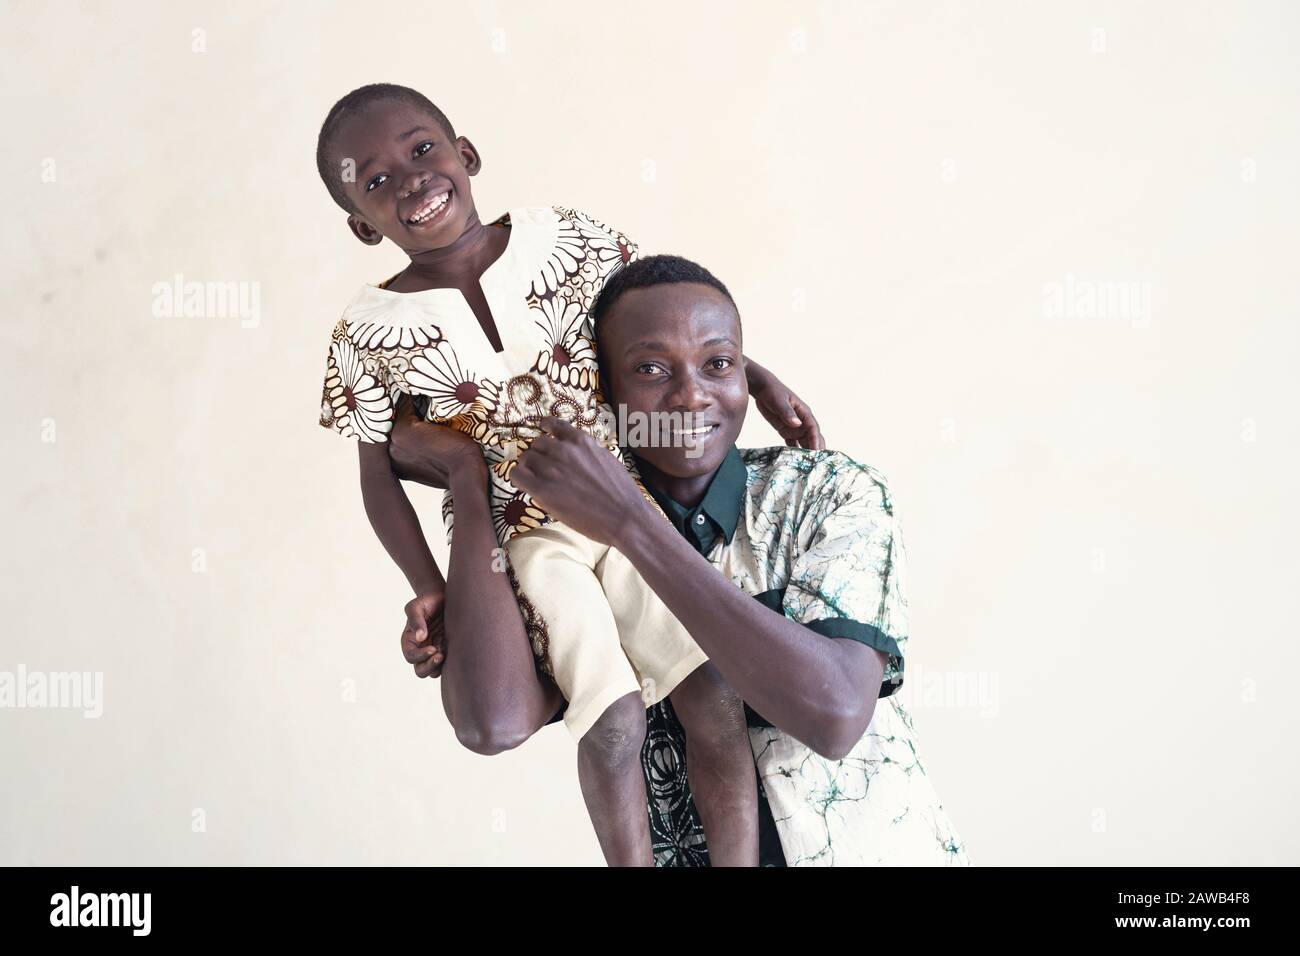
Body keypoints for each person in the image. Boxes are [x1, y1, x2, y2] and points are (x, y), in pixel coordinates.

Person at [314, 84, 822, 865]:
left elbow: (665, 324)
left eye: (422, 150)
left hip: (626, 502)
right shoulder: (364, 333)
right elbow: (377, 473)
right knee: (612, 720)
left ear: (466, 154)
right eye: (375, 180)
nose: (410, 179)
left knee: (712, 696)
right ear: (360, 223)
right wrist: (430, 587)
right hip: (521, 541)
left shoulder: (567, 239)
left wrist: (754, 376)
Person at [396, 255, 972, 866]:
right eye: (649, 369)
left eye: (719, 364)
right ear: (602, 389)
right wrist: (465, 474)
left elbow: (833, 715)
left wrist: (633, 525)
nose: (692, 395)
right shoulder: (563, 547)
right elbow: (492, 722)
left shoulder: (830, 494)